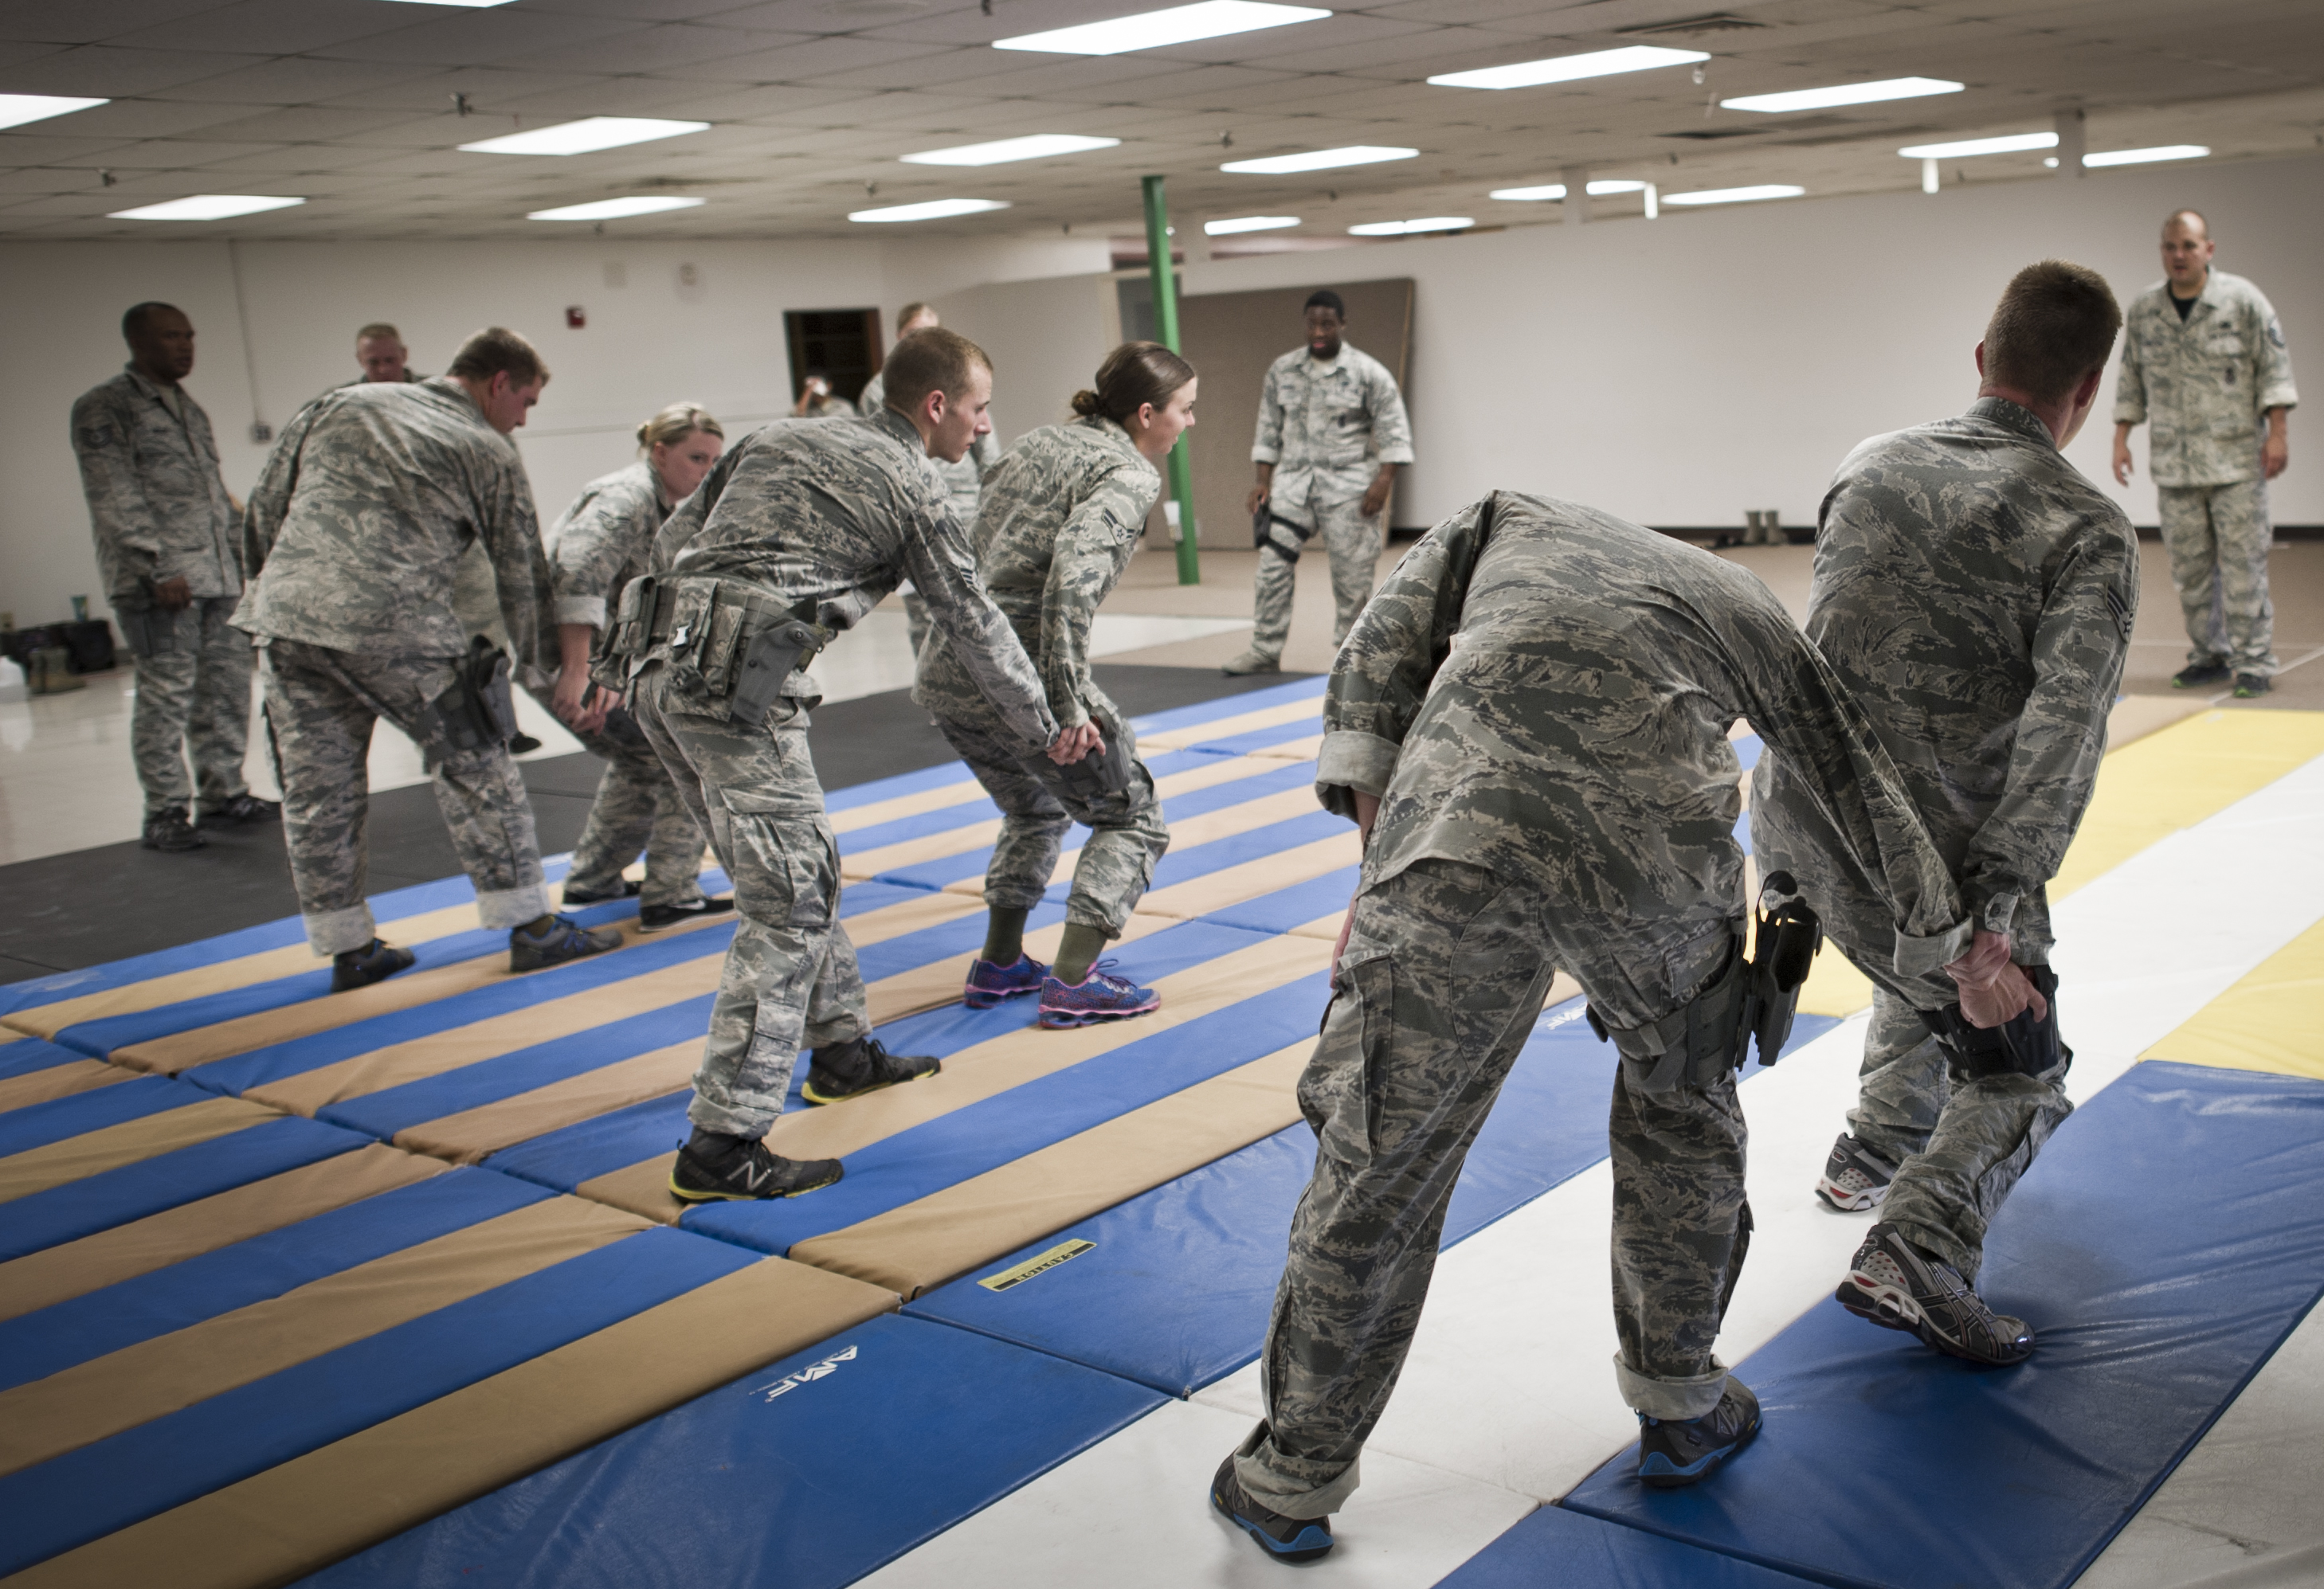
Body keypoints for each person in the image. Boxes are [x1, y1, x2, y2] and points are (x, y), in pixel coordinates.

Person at [1210, 491, 2018, 1564]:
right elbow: (1851, 771)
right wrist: (1960, 950)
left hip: (1456, 836)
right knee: (1681, 1110)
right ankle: (1682, 1405)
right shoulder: (1741, 598)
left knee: (1380, 1158)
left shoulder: (1497, 517)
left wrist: (1378, 875)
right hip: (1652, 870)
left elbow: (1375, 663)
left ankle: (1291, 1474)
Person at [1755, 260, 2136, 1365]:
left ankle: (1876, 1146)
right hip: (1928, 856)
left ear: (1981, 359)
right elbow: (2062, 738)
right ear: (2087, 389)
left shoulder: (1868, 463)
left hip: (1794, 827)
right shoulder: (2086, 528)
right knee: (2019, 1058)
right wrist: (1994, 927)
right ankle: (1918, 1245)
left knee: (1917, 957)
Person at [624, 327, 1077, 1203]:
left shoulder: (776, 435)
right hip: (737, 691)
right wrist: (1046, 728)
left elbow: (673, 536)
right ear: (936, 405)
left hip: (659, 668)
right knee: (788, 904)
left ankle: (840, 1052)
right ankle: (722, 1143)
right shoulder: (913, 481)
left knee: (800, 874)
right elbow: (972, 621)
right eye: (978, 409)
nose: (984, 427)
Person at [236, 327, 620, 988]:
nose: (524, 420)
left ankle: (350, 949)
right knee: (479, 764)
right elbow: (520, 571)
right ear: (498, 383)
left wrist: (270, 593)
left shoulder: (341, 403)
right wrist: (557, 675)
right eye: (525, 401)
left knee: (318, 791)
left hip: (288, 622)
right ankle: (531, 926)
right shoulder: (484, 446)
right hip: (397, 622)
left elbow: (265, 508)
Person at [918, 342, 1196, 1028]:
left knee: (1035, 808)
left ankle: (1000, 963)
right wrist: (1068, 703)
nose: (1189, 423)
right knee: (1131, 816)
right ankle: (1074, 980)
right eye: (1185, 409)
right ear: (1145, 413)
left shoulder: (1037, 443)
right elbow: (1073, 577)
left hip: (948, 667)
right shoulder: (1127, 473)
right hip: (1022, 675)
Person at [70, 302, 276, 852]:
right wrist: (156, 565)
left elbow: (212, 495)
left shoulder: (189, 408)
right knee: (167, 695)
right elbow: (113, 494)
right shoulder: (106, 407)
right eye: (170, 337)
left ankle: (224, 792)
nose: (184, 346)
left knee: (225, 689)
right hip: (160, 585)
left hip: (216, 577)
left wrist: (246, 560)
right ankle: (164, 810)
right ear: (138, 342)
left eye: (188, 336)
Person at [540, 403, 734, 930]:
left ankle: (593, 880)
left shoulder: (662, 503)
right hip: (574, 660)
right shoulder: (625, 499)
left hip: (591, 659)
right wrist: (583, 669)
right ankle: (670, 892)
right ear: (659, 451)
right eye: (696, 458)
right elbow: (575, 576)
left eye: (713, 461)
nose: (705, 471)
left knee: (642, 760)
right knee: (687, 754)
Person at [2111, 209, 2298, 699]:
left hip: (2237, 463)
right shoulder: (2147, 310)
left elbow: (2274, 370)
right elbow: (2130, 377)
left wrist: (2278, 434)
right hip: (2176, 467)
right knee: (2190, 573)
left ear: (2208, 249)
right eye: (2171, 246)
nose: (2179, 255)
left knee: (2243, 568)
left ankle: (2254, 662)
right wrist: (2121, 437)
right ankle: (2209, 656)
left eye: (2189, 246)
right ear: (2162, 251)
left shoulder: (2242, 301)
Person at [1224, 289, 1414, 676]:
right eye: (1312, 324)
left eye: (1327, 324)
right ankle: (1264, 650)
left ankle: (1350, 659)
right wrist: (1262, 481)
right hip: (1293, 485)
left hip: (1349, 489)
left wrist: (1384, 482)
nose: (1318, 332)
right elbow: (1268, 429)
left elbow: (1394, 432)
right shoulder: (1283, 370)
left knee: (1352, 577)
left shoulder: (1368, 372)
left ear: (1342, 324)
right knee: (1272, 568)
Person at [864, 302, 1003, 657]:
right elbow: (887, 453)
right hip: (917, 512)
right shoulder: (881, 391)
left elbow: (988, 448)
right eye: (916, 332)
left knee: (979, 608)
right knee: (928, 619)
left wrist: (995, 505)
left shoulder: (962, 377)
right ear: (900, 336)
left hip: (967, 507)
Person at [351, 323, 419, 386]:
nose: (383, 370)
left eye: (390, 360)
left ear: (404, 354)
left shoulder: (425, 390)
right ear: (360, 359)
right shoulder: (346, 394)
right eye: (373, 362)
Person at [791, 371, 856, 419]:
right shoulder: (808, 408)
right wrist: (808, 392)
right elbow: (797, 418)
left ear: (829, 386)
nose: (816, 395)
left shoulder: (842, 407)